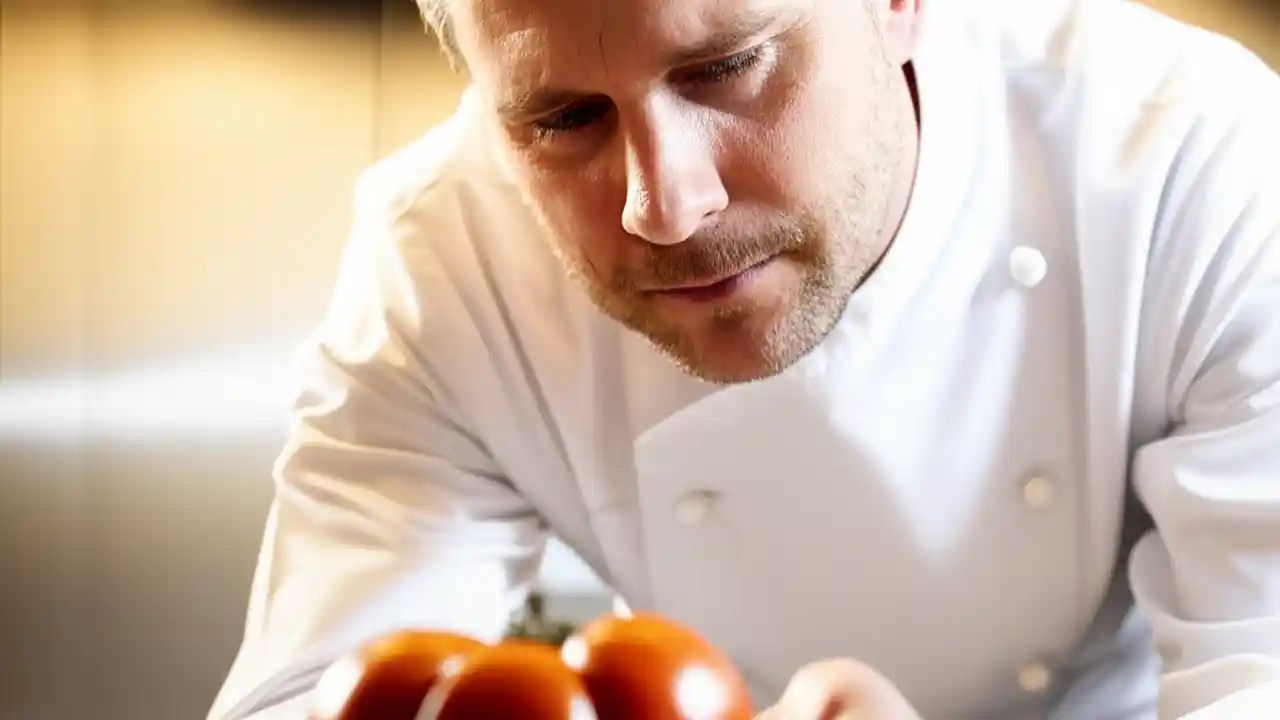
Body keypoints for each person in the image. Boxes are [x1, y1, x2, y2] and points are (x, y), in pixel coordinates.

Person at [208, 0, 1280, 717]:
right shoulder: (444, 256)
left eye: (723, 68)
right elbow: (319, 691)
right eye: (562, 119)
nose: (663, 206)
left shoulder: (1187, 159)